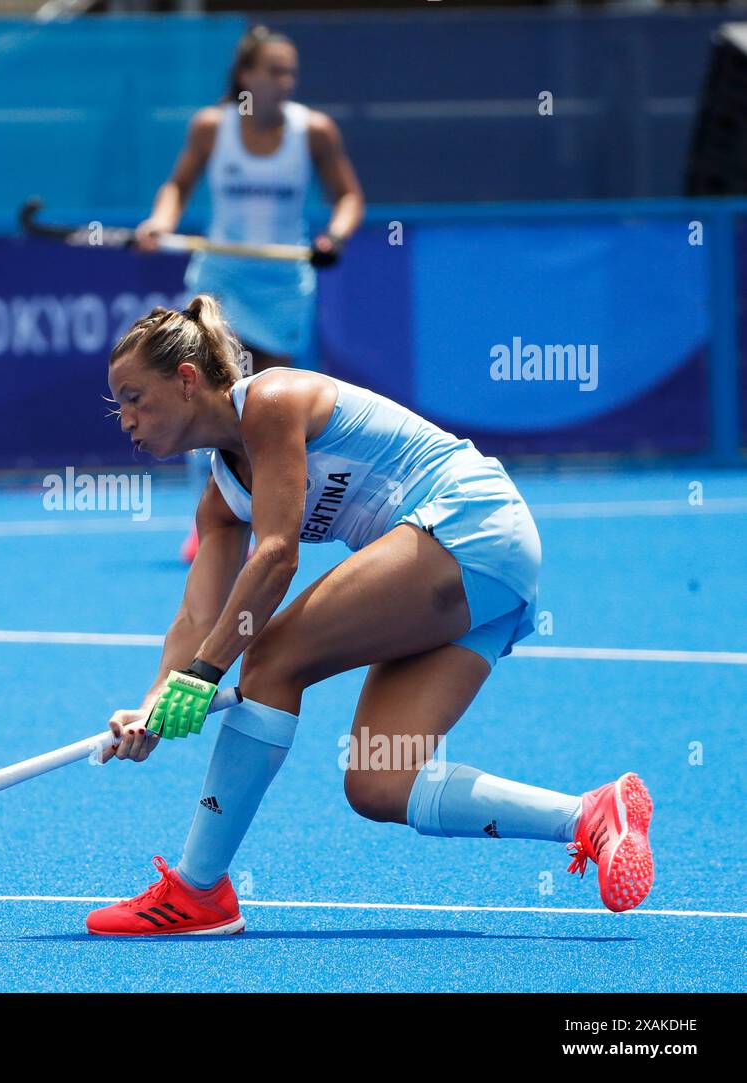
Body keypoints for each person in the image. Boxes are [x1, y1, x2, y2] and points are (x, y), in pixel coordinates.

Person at [87, 295, 654, 936]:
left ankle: (195, 892)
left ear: (187, 380)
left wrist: (202, 676)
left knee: (271, 657)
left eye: (134, 397)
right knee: (382, 780)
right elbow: (196, 618)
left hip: (468, 524)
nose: (125, 419)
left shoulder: (269, 402)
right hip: (473, 581)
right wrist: (155, 702)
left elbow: (276, 558)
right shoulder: (220, 502)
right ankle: (589, 816)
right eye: (118, 406)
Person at [134, 25, 365, 563]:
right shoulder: (213, 128)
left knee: (267, 405)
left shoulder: (315, 131)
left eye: (291, 72)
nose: (286, 82)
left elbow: (349, 196)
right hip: (221, 281)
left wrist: (338, 234)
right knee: (211, 393)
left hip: (282, 285)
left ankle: (268, 515)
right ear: (245, 76)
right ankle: (207, 517)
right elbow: (177, 187)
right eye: (275, 71)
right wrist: (160, 221)